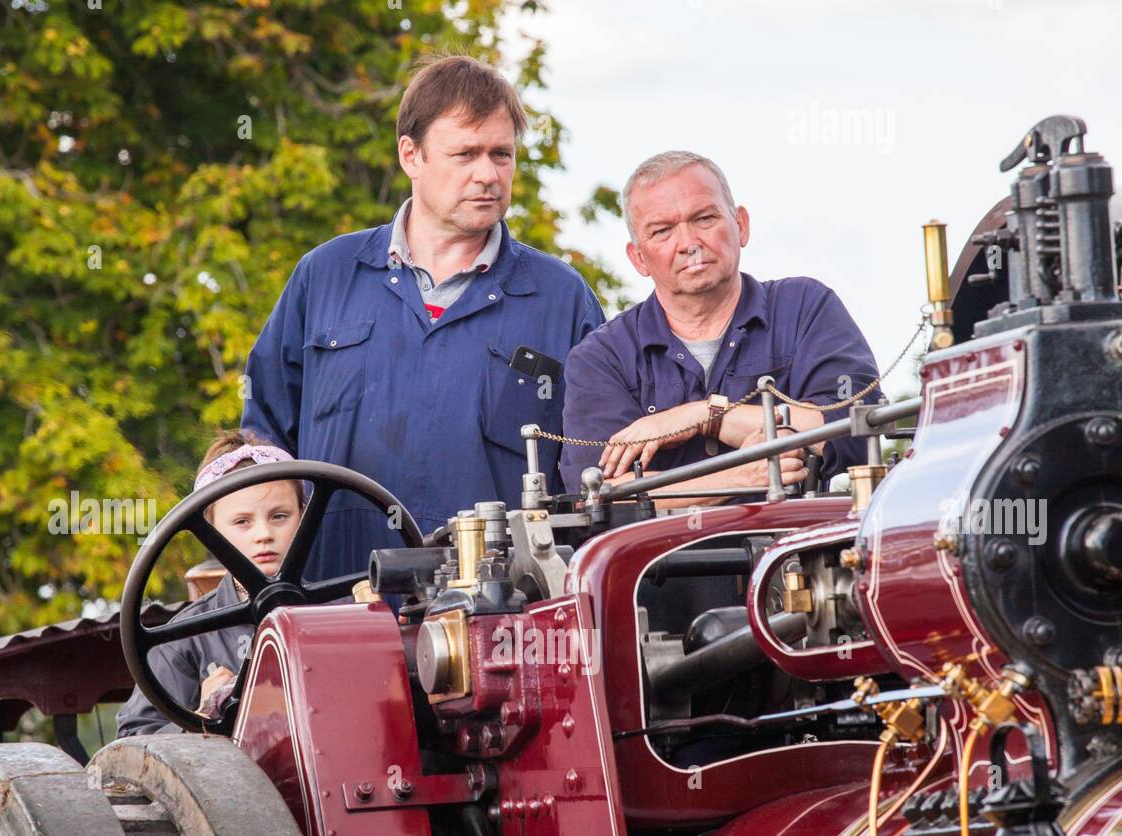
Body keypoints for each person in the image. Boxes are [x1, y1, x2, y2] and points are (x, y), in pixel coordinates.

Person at [241, 54, 604, 579]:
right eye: (465, 154)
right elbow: (262, 445)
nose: (488, 174)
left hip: (495, 617)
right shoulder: (324, 276)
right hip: (332, 609)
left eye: (502, 154)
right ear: (410, 155)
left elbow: (589, 477)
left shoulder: (561, 299)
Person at [560, 151, 879, 502]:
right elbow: (600, 498)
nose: (688, 244)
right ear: (638, 258)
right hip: (661, 558)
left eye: (704, 218)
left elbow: (858, 429)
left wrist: (705, 415)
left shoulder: (805, 307)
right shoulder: (601, 357)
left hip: (800, 551)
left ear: (740, 225)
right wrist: (743, 475)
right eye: (662, 230)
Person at [116, 431, 302, 736]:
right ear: (211, 531)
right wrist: (199, 721)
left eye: (279, 516)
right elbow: (135, 736)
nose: (263, 534)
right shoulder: (185, 636)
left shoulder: (341, 614)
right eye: (243, 522)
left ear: (303, 516)